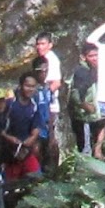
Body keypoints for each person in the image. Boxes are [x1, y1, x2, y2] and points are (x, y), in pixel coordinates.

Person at [3, 72, 47, 181]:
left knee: (37, 180)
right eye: (27, 86)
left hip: (26, 152)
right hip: (9, 154)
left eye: (33, 87)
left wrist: (32, 139)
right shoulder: (9, 104)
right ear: (20, 86)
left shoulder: (34, 106)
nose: (30, 89)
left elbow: (36, 127)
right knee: (9, 186)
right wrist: (10, 139)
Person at [31, 35, 62, 169]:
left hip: (49, 109)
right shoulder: (41, 61)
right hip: (38, 118)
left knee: (49, 147)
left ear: (50, 44)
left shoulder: (51, 60)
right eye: (38, 44)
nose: (39, 47)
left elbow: (56, 82)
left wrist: (45, 92)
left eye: (43, 44)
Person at [69, 43, 105, 158]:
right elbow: (75, 95)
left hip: (88, 116)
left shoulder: (90, 69)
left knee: (87, 143)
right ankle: (84, 173)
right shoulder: (82, 72)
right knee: (85, 148)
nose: (95, 58)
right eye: (91, 56)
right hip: (82, 116)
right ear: (83, 57)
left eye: (96, 55)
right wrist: (86, 106)